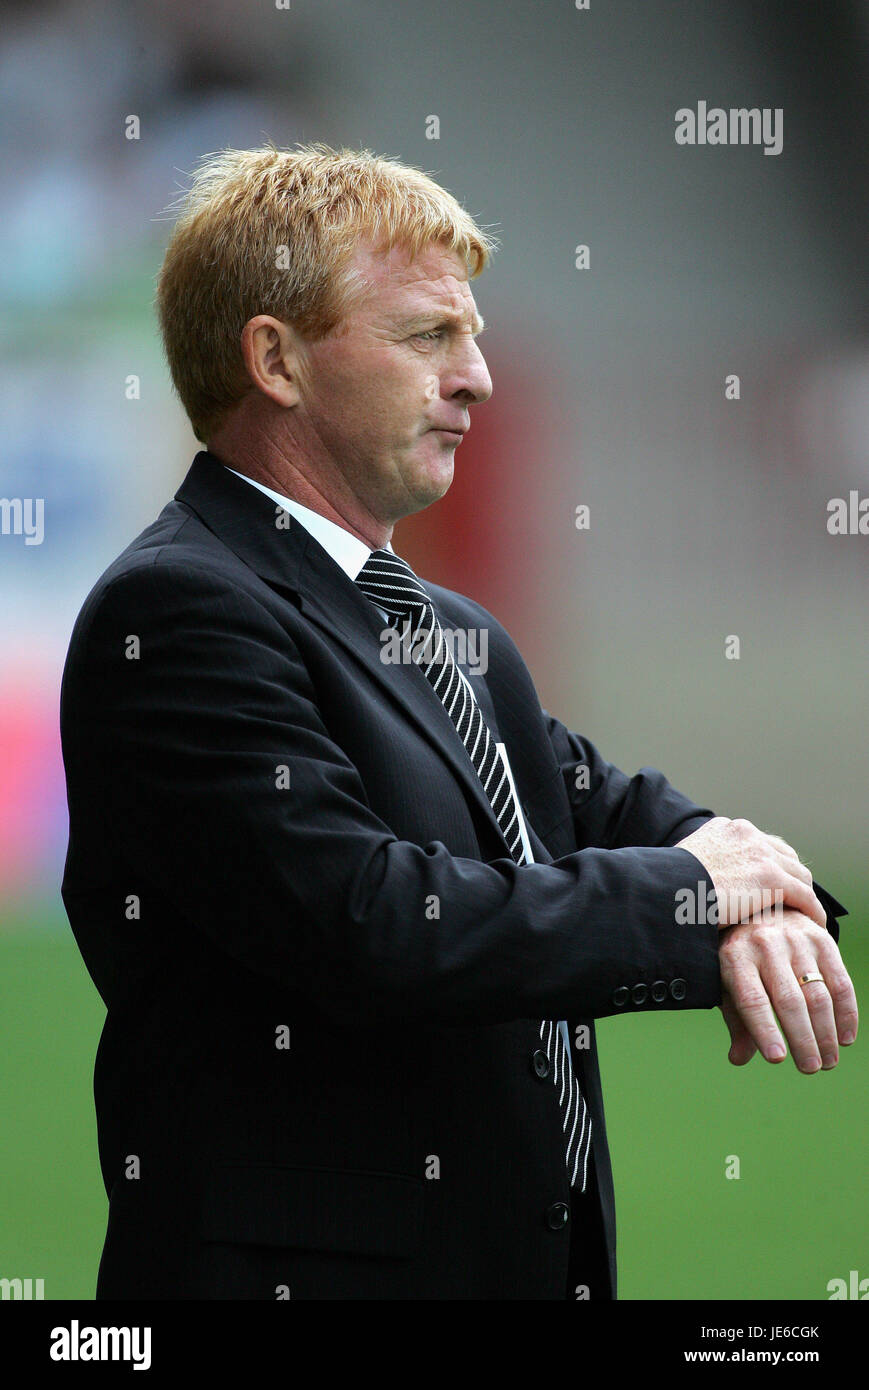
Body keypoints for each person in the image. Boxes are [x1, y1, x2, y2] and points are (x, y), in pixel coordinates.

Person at [59, 144, 856, 1301]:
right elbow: (375, 923)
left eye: (470, 335)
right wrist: (700, 900)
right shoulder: (181, 610)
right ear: (274, 359)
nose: (476, 376)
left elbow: (604, 806)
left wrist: (759, 890)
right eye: (427, 335)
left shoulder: (433, 620)